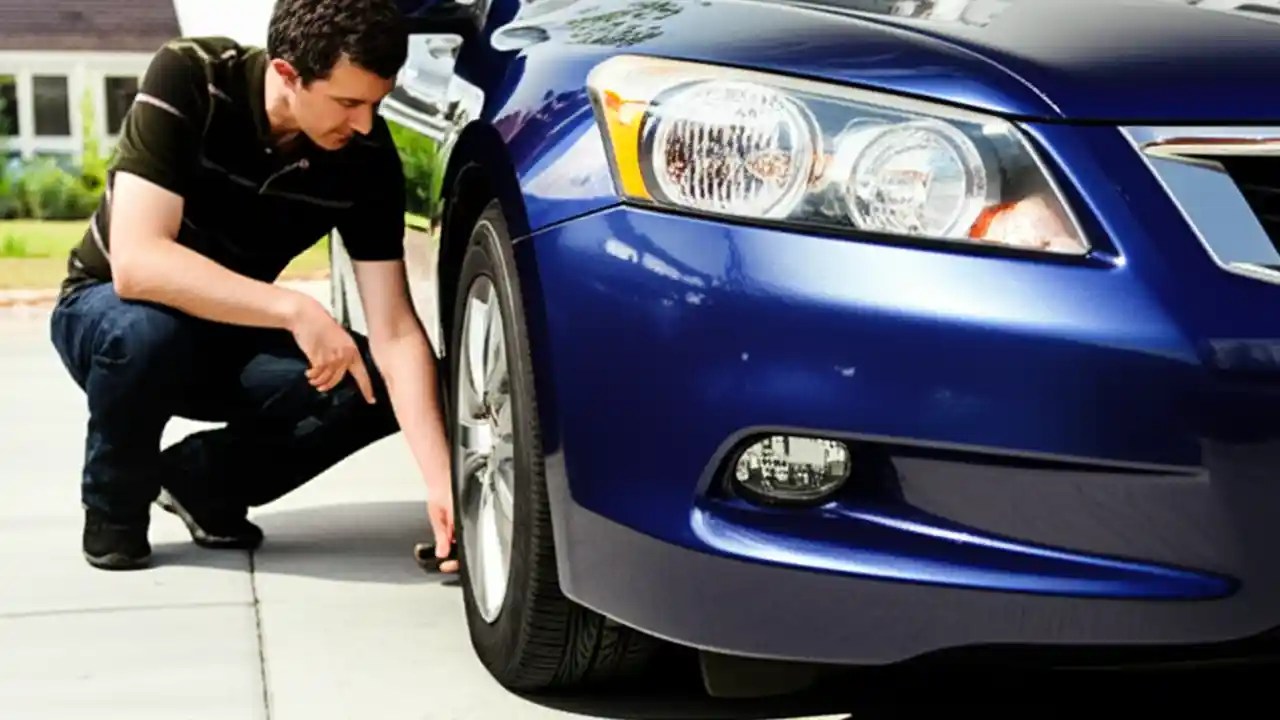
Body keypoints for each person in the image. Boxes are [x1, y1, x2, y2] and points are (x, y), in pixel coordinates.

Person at [48, 0, 459, 574]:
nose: (365, 123)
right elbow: (138, 263)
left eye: (376, 103)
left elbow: (394, 330)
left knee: (373, 383)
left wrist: (444, 486)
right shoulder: (191, 75)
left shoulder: (366, 156)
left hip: (230, 331)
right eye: (348, 102)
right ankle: (115, 505)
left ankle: (202, 482)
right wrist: (294, 309)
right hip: (107, 314)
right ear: (288, 74)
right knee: (149, 332)